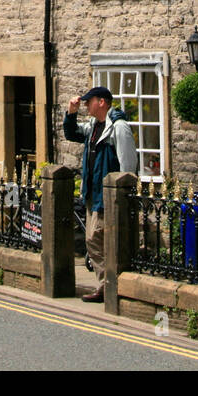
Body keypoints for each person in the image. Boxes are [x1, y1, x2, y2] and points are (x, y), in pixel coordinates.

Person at [62, 86, 138, 302]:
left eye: (89, 101)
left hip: (108, 197)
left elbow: (127, 165)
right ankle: (107, 284)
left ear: (102, 102)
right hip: (92, 194)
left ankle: (108, 286)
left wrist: (123, 195)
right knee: (95, 240)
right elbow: (72, 133)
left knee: (95, 239)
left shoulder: (118, 128)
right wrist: (71, 112)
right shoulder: (94, 126)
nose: (86, 104)